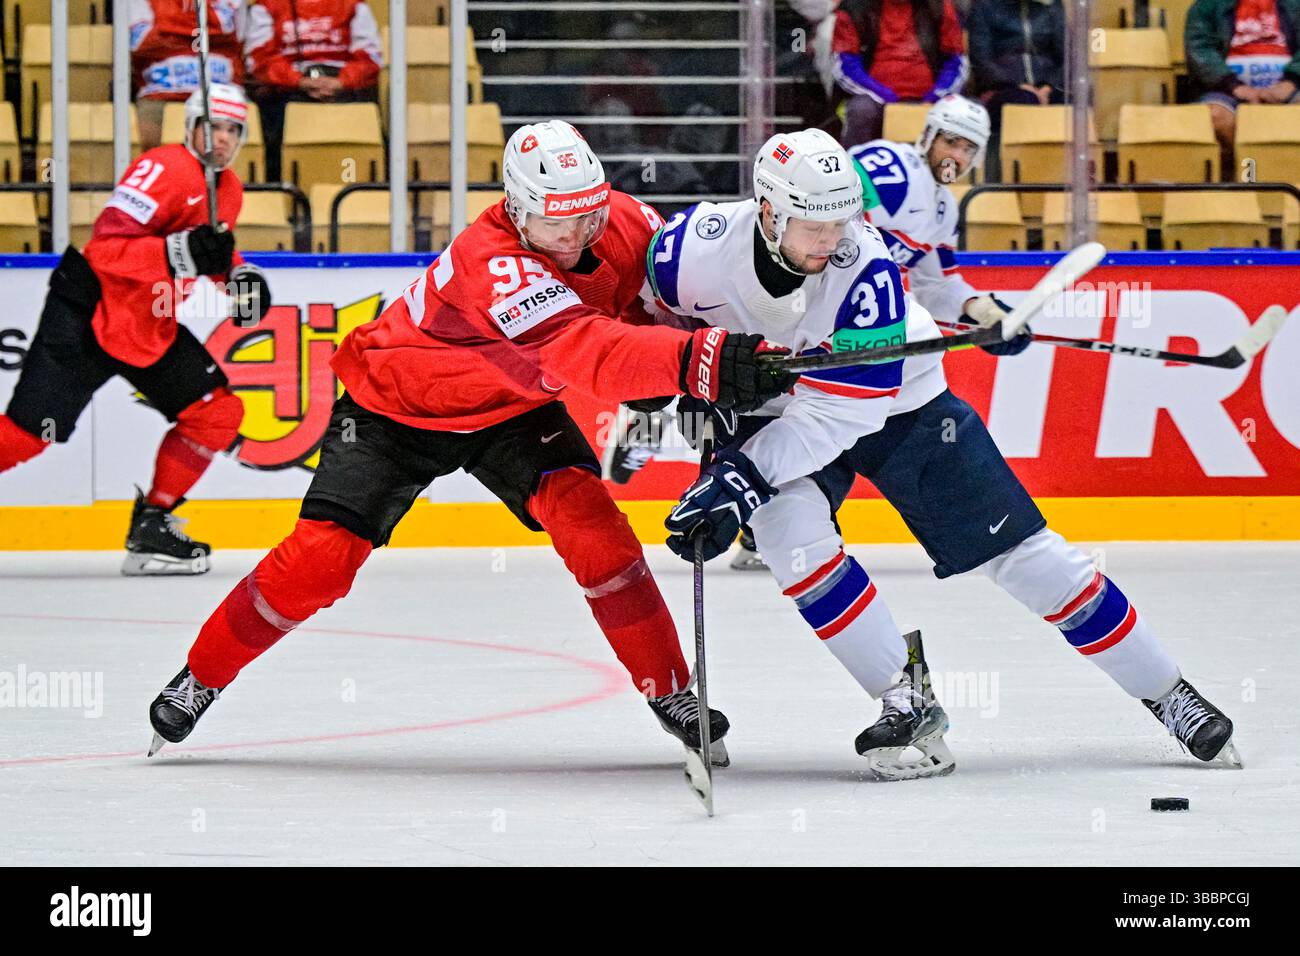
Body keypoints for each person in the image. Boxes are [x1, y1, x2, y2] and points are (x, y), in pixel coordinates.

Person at [144, 120, 796, 765]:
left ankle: (670, 688)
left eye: (588, 216)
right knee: (318, 564)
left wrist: (704, 340)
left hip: (513, 411)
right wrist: (695, 362)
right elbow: (584, 350)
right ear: (514, 210)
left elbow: (684, 284)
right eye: (554, 222)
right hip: (394, 408)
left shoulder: (625, 219)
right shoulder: (493, 263)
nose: (574, 236)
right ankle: (203, 673)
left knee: (596, 530)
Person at [650, 129, 1242, 779]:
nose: (832, 239)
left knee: (1026, 561)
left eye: (841, 221)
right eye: (813, 226)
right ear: (769, 210)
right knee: (793, 545)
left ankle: (1168, 691)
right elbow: (652, 319)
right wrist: (674, 384)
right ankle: (904, 696)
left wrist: (742, 473)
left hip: (898, 402)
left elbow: (844, 414)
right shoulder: (688, 250)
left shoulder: (864, 270)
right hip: (775, 406)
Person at [0, 84, 270, 576]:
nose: (223, 138)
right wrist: (178, 253)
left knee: (216, 413)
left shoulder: (228, 189)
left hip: (149, 321)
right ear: (190, 126)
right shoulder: (163, 168)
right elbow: (105, 249)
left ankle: (153, 525)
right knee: (23, 437)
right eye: (214, 126)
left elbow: (207, 249)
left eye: (234, 130)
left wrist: (237, 276)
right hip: (87, 310)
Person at [245, 0, 384, 183]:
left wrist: (342, 82)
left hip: (343, 88)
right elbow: (259, 58)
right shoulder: (266, 6)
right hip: (288, 90)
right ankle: (281, 187)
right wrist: (299, 81)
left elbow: (370, 59)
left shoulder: (353, 4)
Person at [830, 0, 967, 147]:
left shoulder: (939, 5)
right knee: (861, 111)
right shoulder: (855, 7)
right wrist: (880, 93)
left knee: (962, 114)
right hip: (874, 98)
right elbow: (845, 63)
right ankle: (853, 168)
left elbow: (956, 61)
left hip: (930, 98)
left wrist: (937, 94)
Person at [1186, 0, 1300, 176]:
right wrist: (1234, 86)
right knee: (1215, 117)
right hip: (1226, 91)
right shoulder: (1206, 6)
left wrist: (1292, 80)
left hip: (1289, 88)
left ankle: (1286, 177)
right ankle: (1249, 177)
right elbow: (1200, 50)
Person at [966, 0, 1065, 181]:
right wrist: (1015, 84)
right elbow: (980, 58)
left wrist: (1048, 87)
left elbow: (1067, 57)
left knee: (1074, 102)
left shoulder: (1052, 6)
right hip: (1002, 88)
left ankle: (1062, 180)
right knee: (1025, 100)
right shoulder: (984, 6)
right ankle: (1017, 181)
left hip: (1047, 86)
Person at [130, 0, 248, 152]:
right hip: (159, 92)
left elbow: (236, 38)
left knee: (229, 142)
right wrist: (204, 31)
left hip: (222, 91)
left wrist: (166, 28)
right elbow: (140, 42)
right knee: (149, 143)